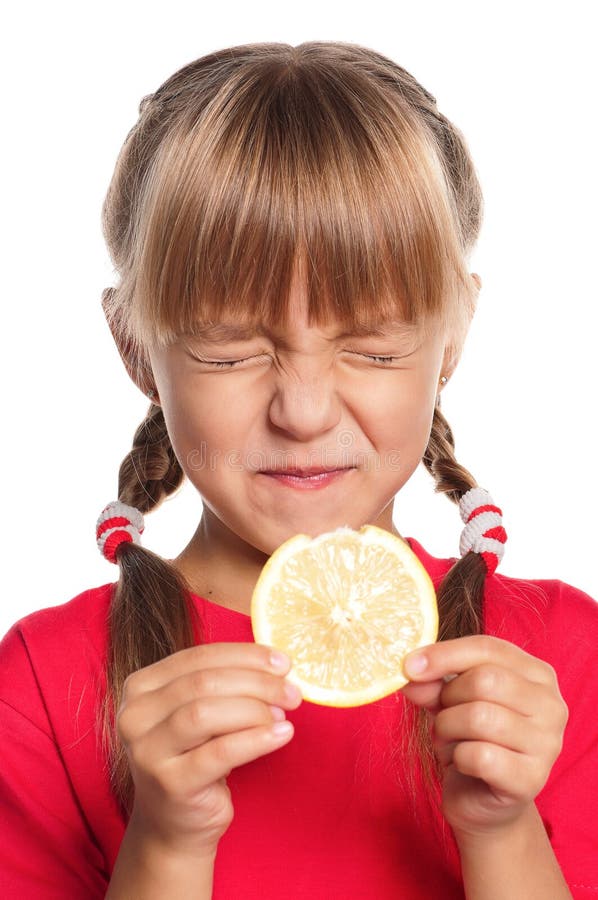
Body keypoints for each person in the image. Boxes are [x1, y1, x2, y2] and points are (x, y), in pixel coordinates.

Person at [1, 41, 596, 900]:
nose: (305, 411)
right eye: (229, 353)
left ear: (453, 338)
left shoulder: (563, 662)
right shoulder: (44, 686)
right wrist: (168, 843)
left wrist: (500, 831)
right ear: (134, 347)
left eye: (375, 348)